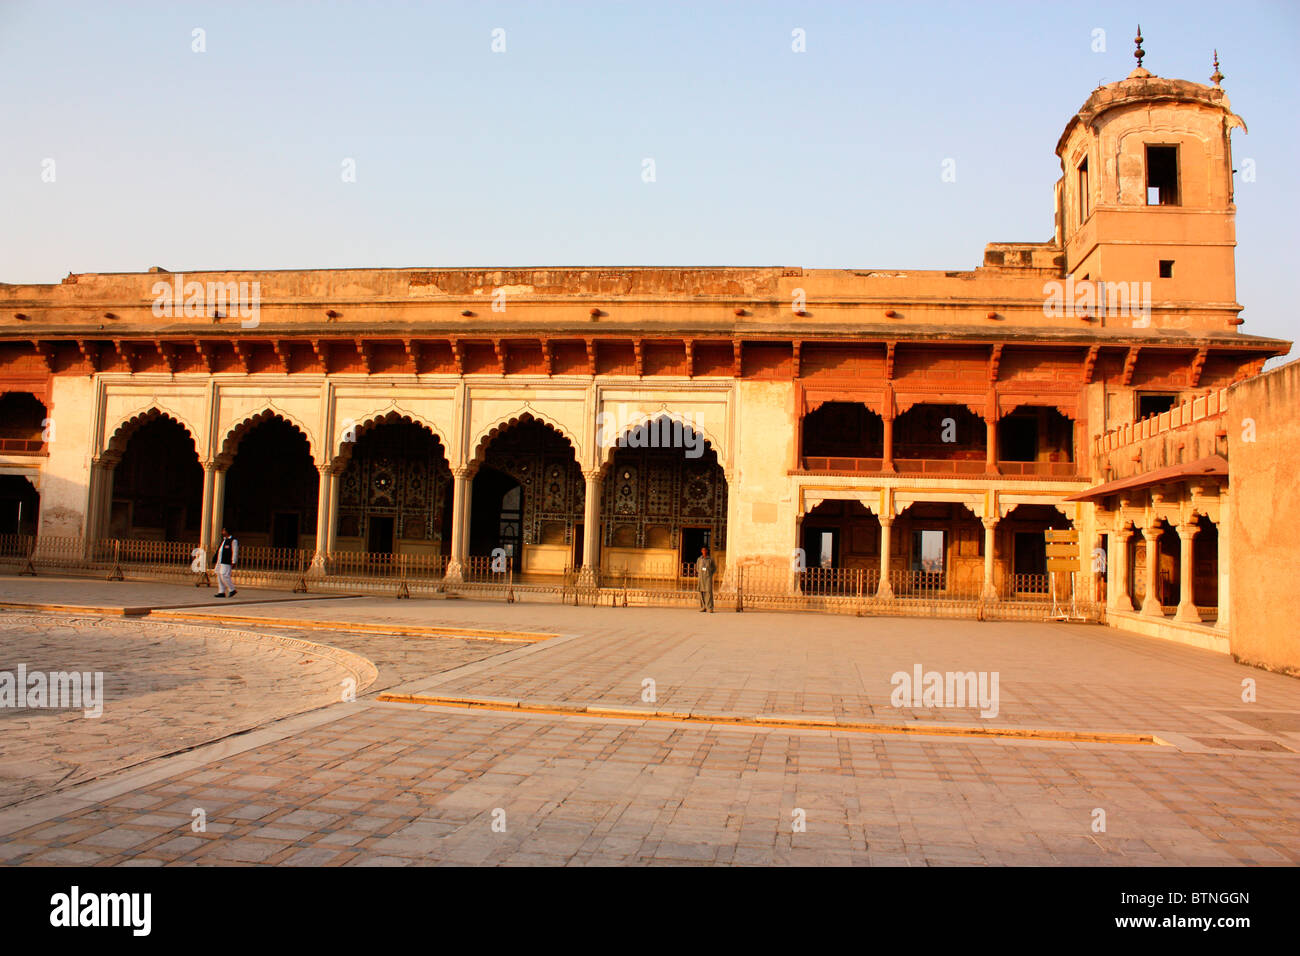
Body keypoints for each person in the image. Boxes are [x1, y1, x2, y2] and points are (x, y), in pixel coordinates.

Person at [214, 527, 239, 598]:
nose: (222, 532)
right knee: (219, 575)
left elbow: (235, 551)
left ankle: (232, 589)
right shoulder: (224, 540)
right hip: (220, 561)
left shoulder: (233, 541)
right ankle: (221, 591)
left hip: (226, 561)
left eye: (224, 531)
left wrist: (233, 561)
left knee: (224, 575)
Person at [695, 545, 716, 613]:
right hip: (701, 578)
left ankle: (709, 607)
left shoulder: (710, 559)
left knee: (708, 592)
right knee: (701, 592)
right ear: (701, 551)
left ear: (707, 551)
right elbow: (697, 568)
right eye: (703, 550)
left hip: (707, 578)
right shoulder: (699, 559)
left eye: (705, 550)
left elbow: (714, 568)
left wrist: (709, 574)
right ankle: (703, 606)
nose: (704, 551)